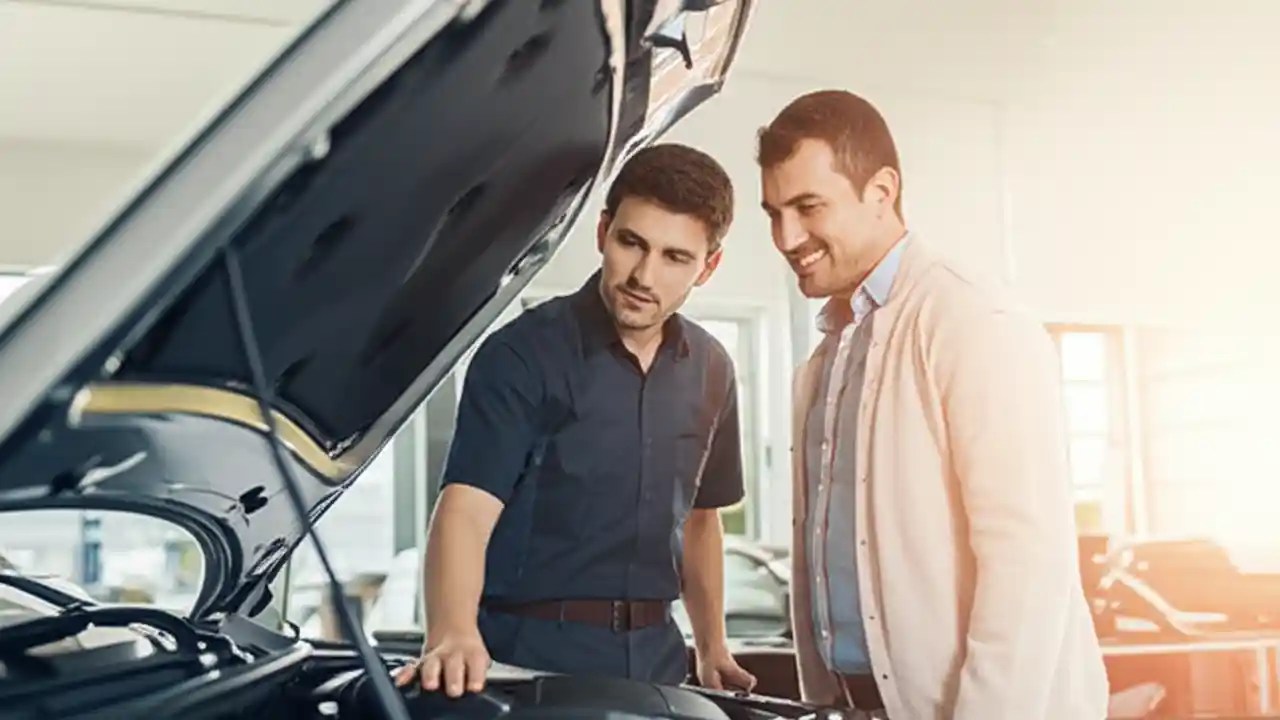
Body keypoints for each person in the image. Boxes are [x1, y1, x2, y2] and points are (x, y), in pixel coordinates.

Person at [756, 90, 1109, 719]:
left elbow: (1029, 561)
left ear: (882, 191)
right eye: (774, 212)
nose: (787, 237)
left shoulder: (971, 318)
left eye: (808, 207)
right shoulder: (825, 357)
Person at [394, 143, 758, 697]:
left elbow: (701, 520)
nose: (643, 274)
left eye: (674, 257)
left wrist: (711, 647)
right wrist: (451, 631)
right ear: (603, 231)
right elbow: (466, 508)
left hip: (659, 668)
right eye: (631, 243)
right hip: (534, 663)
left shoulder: (712, 368)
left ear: (708, 266)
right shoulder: (521, 356)